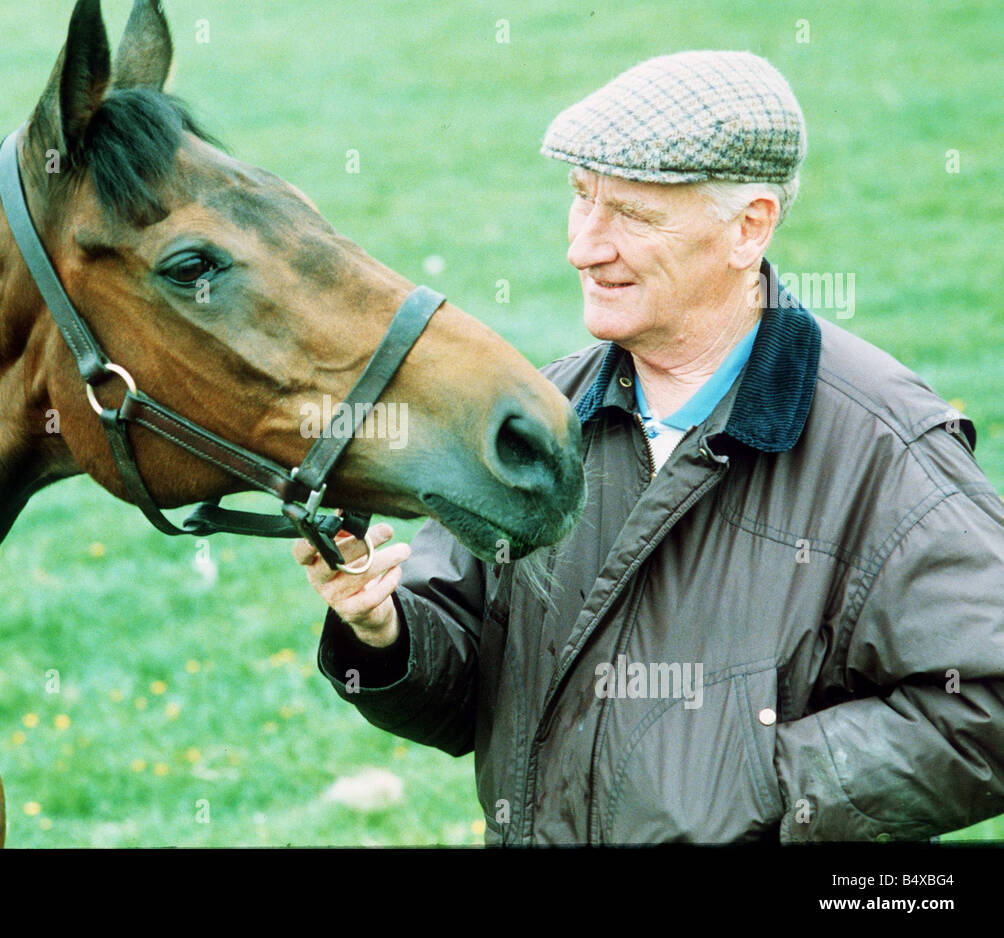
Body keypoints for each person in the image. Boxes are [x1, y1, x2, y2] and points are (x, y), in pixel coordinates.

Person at [292, 50, 1004, 844]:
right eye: (581, 199)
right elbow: (469, 694)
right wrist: (384, 626)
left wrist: (754, 782)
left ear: (749, 227)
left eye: (632, 214)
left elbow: (988, 706)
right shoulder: (542, 419)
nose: (584, 247)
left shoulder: (885, 444)